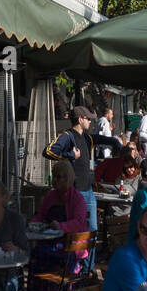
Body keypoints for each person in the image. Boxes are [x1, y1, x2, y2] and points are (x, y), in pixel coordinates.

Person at [27, 161, 88, 291]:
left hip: (70, 247)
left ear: (69, 178)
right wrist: (33, 222)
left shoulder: (78, 199)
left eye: (63, 177)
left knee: (42, 255)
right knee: (34, 255)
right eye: (57, 177)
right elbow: (41, 215)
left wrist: (61, 226)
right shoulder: (50, 196)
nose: (59, 180)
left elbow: (79, 223)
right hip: (50, 242)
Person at [44, 106, 97, 270]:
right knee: (78, 231)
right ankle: (76, 267)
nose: (90, 121)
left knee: (92, 230)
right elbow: (48, 151)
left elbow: (101, 139)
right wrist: (70, 156)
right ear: (80, 119)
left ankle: (87, 270)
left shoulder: (87, 138)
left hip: (88, 189)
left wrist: (115, 142)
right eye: (88, 118)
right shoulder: (67, 136)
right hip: (76, 191)